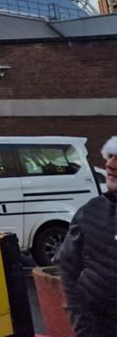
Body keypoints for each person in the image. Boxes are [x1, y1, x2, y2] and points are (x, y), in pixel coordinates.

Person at [55, 136, 117, 337]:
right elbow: (68, 266)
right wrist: (81, 323)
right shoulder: (90, 211)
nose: (109, 165)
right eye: (110, 157)